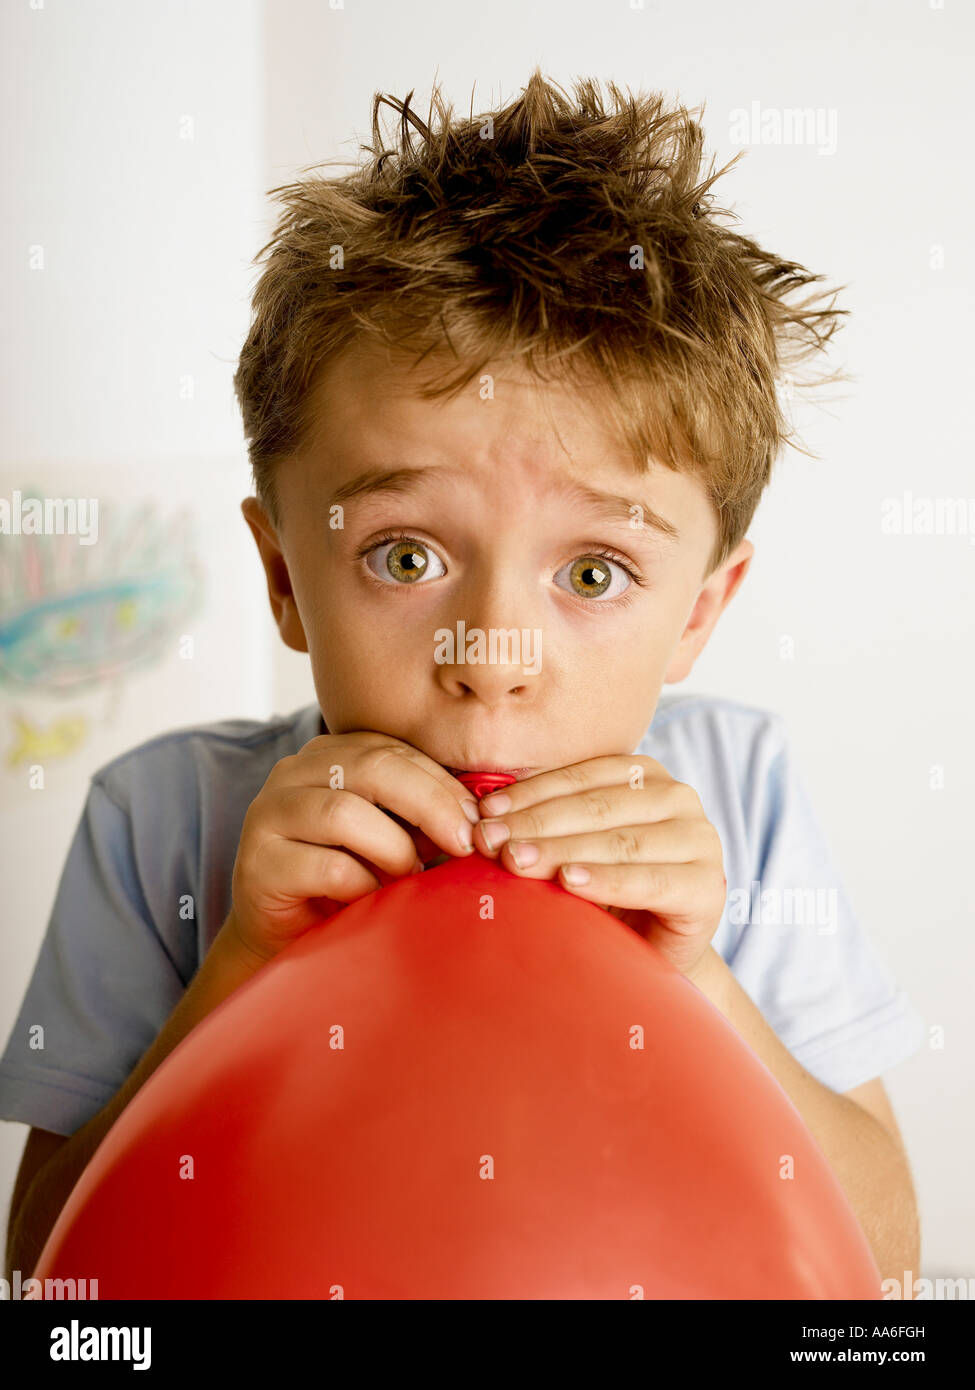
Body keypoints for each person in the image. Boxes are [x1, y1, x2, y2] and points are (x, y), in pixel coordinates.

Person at [1, 70, 923, 1292]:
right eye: (406, 555)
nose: (492, 660)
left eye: (594, 574)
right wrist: (232, 963)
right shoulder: (160, 818)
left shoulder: (738, 796)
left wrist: (697, 974)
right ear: (283, 577)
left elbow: (889, 1258)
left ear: (699, 612)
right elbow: (54, 1273)